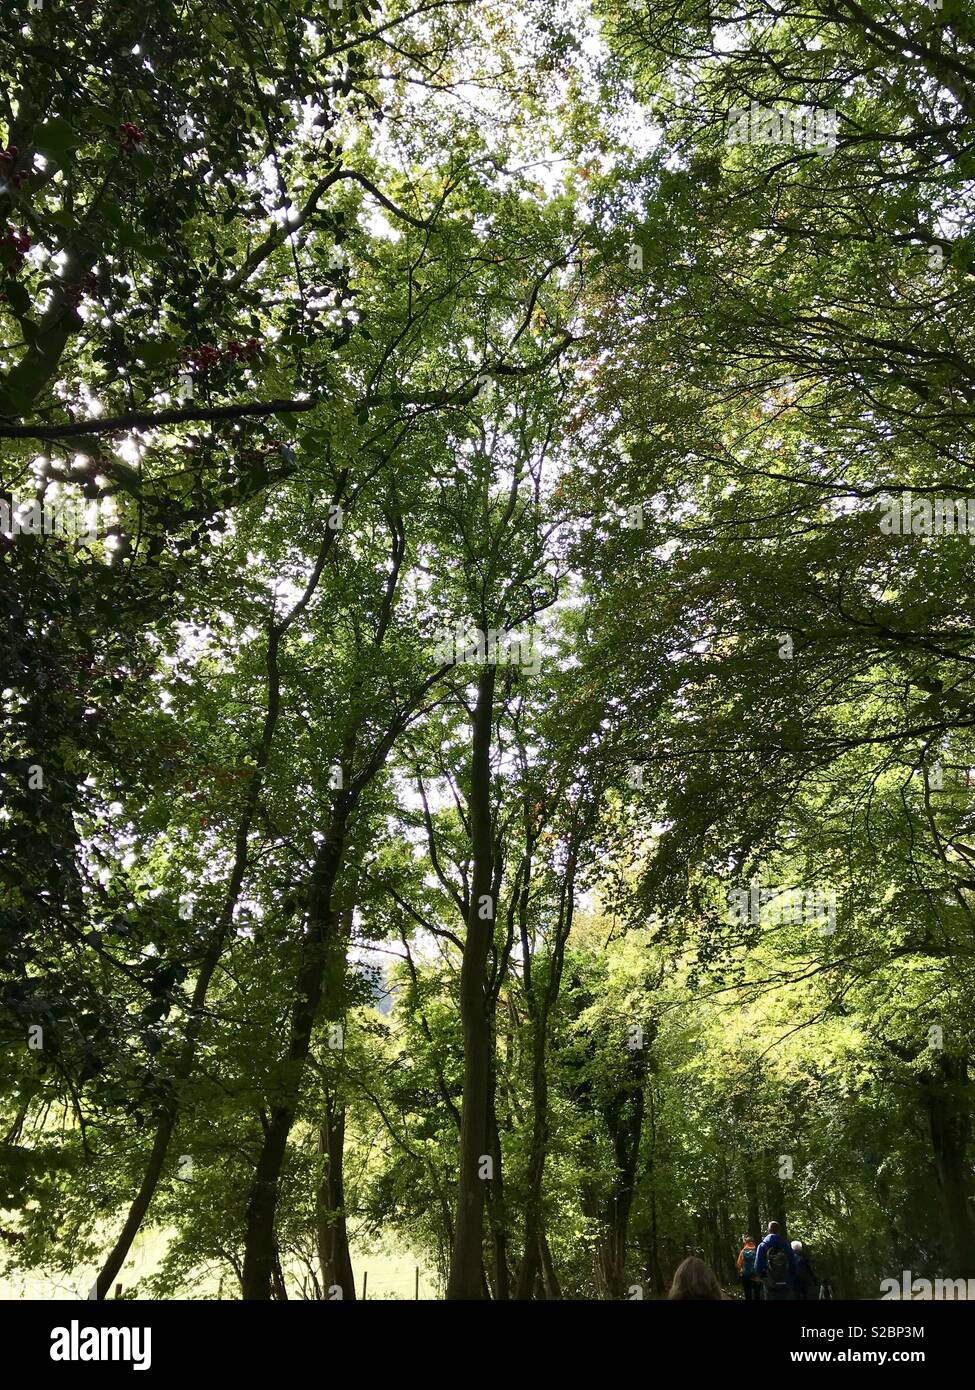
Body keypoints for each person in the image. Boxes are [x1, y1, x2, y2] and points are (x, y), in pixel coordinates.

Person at [754, 1220, 796, 1300]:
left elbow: (757, 1267)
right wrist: (791, 1277)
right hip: (785, 1280)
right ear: (779, 1230)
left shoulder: (763, 1245)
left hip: (770, 1281)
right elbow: (793, 1264)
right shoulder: (786, 1245)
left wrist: (762, 1277)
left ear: (769, 1230)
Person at [736, 1235, 760, 1301]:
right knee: (757, 1294)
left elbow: (738, 1264)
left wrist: (741, 1270)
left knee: (747, 1294)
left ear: (746, 1242)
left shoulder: (742, 1251)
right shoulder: (757, 1250)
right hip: (755, 1276)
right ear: (753, 1242)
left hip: (745, 1275)